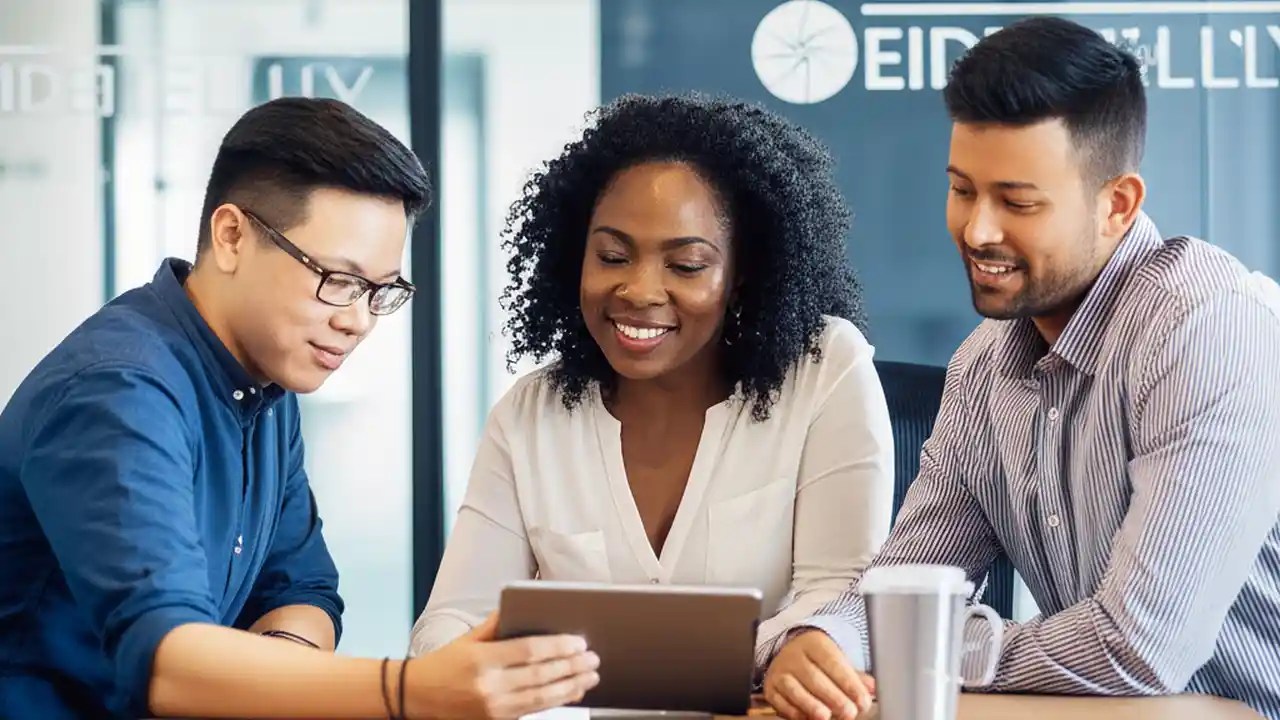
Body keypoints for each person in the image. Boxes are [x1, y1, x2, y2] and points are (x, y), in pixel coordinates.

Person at [0, 97, 598, 720]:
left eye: (380, 291)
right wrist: (411, 692)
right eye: (336, 280)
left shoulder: (264, 378)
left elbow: (300, 587)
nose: (358, 320)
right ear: (231, 236)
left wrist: (275, 669)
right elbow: (166, 665)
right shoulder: (120, 391)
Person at [760, 15, 1280, 720]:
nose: (976, 230)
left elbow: (1141, 647)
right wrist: (817, 642)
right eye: (963, 189)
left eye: (1017, 202)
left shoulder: (1208, 329)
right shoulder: (981, 368)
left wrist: (926, 647)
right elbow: (900, 588)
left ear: (1117, 205)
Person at [408, 92, 895, 671]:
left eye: (686, 266)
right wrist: (457, 664)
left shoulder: (823, 370)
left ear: (742, 276)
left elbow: (838, 600)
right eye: (612, 256)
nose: (639, 291)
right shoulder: (529, 415)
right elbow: (450, 620)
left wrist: (776, 652)